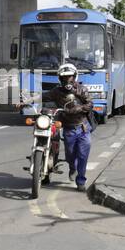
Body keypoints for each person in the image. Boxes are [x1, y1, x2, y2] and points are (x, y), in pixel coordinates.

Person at [46, 62, 95, 190]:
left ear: (75, 76)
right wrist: (26, 101)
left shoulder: (82, 89)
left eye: (70, 76)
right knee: (70, 155)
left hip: (83, 128)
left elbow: (90, 104)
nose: (68, 79)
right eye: (64, 77)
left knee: (83, 156)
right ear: (60, 78)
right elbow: (42, 96)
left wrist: (79, 108)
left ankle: (81, 182)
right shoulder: (56, 92)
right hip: (69, 129)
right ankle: (72, 168)